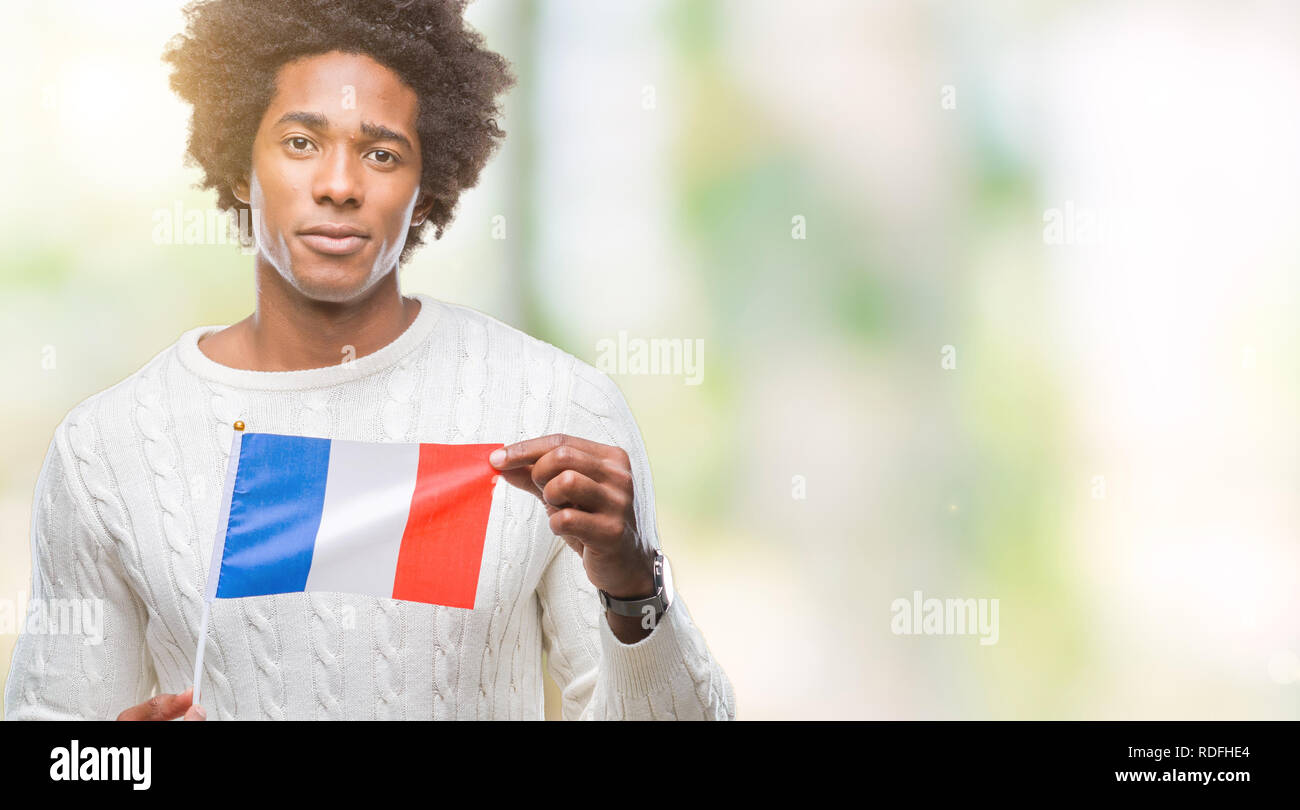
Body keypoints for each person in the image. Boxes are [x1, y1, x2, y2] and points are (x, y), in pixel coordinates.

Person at [3, 0, 734, 721]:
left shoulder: (555, 408)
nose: (340, 185)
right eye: (300, 142)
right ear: (236, 165)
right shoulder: (109, 448)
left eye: (382, 154)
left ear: (424, 193)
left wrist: (634, 585)